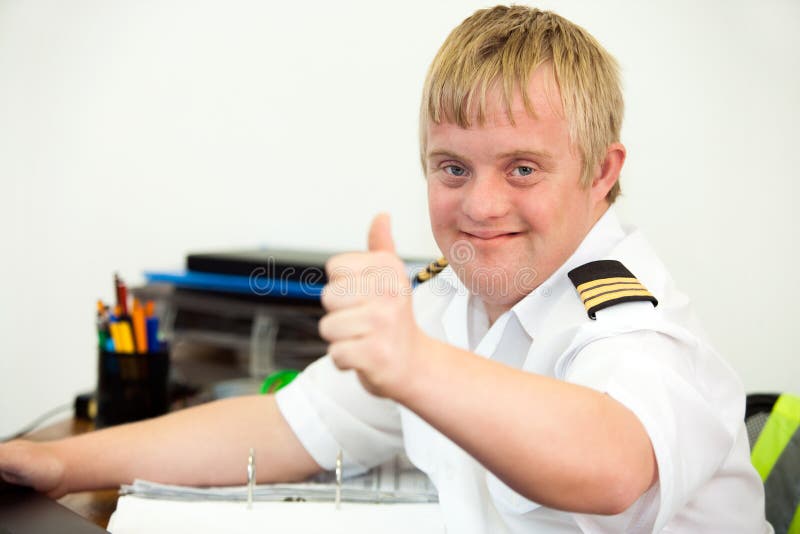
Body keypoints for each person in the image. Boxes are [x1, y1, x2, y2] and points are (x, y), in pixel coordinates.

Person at [0, 5, 771, 533]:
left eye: (524, 168)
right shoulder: (450, 299)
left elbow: (612, 465)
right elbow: (286, 425)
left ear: (602, 173)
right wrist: (62, 462)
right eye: (452, 168)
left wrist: (414, 365)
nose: (481, 204)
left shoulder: (631, 315)